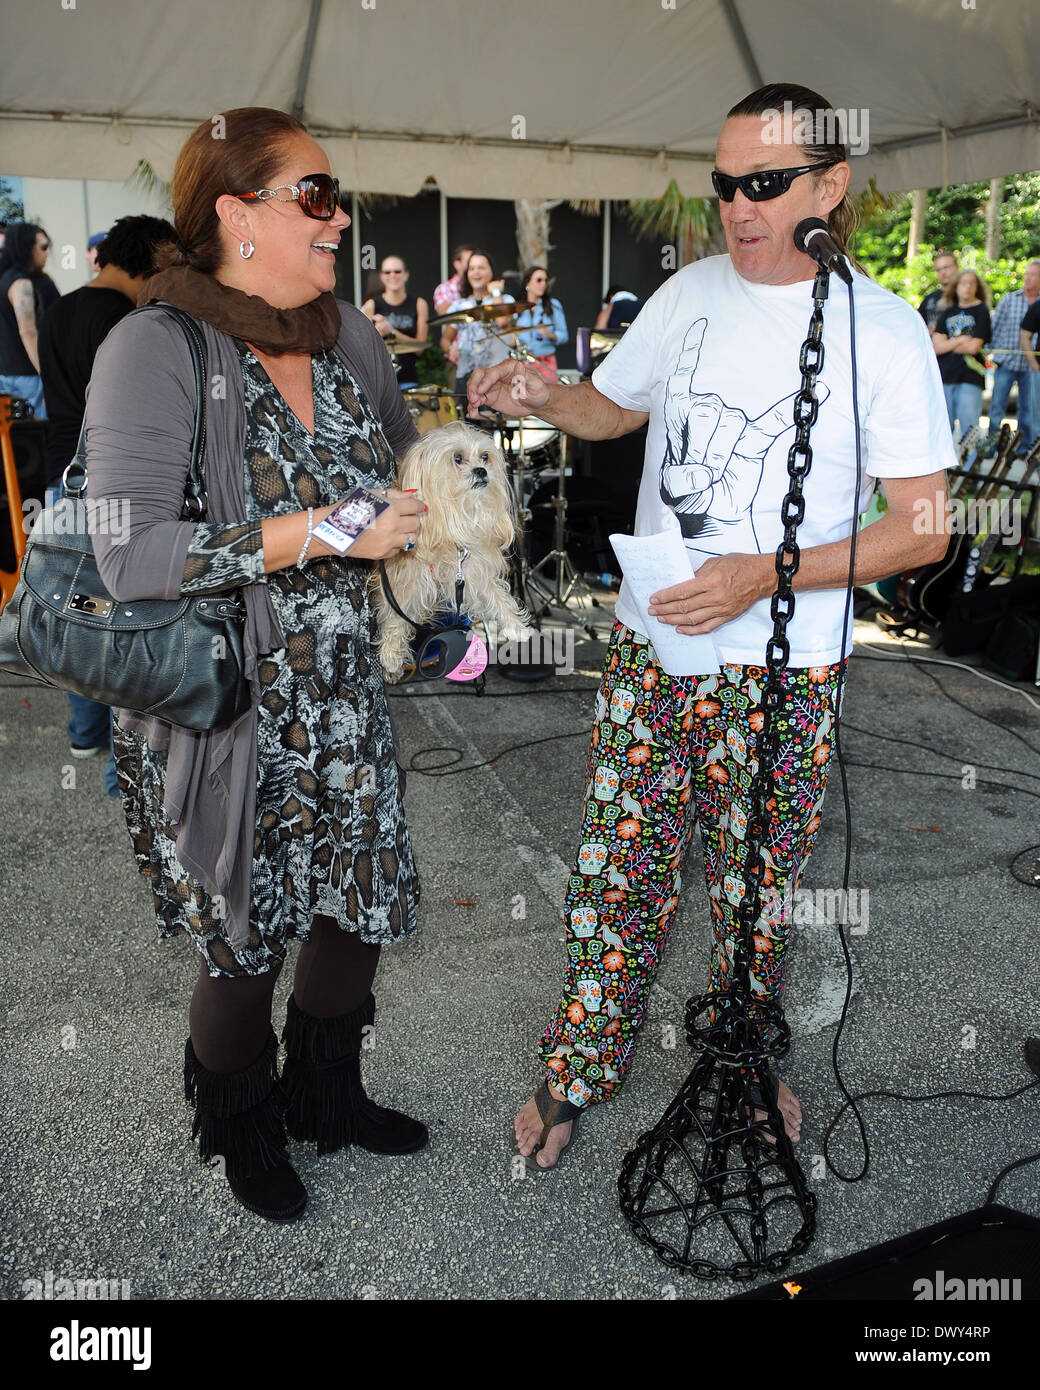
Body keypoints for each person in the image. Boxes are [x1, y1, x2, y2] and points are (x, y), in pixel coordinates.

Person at [470, 81, 954, 1169]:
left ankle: (743, 1060)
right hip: (651, 646)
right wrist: (547, 395)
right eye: (726, 183)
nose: (739, 206)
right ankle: (577, 1063)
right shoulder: (686, 291)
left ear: (829, 188)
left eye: (767, 185)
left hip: (777, 665)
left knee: (753, 889)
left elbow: (921, 528)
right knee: (616, 866)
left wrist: (762, 576)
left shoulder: (878, 329)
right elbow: (615, 409)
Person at [84, 107, 427, 1221]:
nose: (339, 218)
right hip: (229, 705)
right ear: (236, 212)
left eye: (338, 197)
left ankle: (329, 1094)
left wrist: (447, 468)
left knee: (356, 905)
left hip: (345, 693)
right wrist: (324, 529)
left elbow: (398, 467)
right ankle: (241, 1123)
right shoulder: (158, 345)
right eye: (315, 196)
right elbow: (129, 552)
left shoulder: (350, 338)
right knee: (245, 936)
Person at [37, 214, 177, 790]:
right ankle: (126, 766)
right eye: (168, 262)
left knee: (79, 609)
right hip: (115, 482)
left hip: (62, 478)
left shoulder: (60, 308)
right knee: (126, 618)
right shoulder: (128, 319)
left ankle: (84, 731)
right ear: (148, 256)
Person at [439, 249, 514, 406]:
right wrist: (449, 349)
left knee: (496, 426)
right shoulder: (459, 305)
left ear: (492, 271)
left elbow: (502, 322)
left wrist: (496, 292)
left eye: (481, 267)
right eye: (472, 268)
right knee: (467, 427)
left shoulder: (505, 299)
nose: (476, 272)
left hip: (496, 377)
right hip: (466, 376)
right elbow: (445, 339)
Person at [0, 222, 60, 417]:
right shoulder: (20, 283)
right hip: (28, 377)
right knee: (38, 436)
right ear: (27, 248)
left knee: (18, 440)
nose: (48, 252)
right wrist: (47, 373)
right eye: (43, 247)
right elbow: (27, 331)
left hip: (8, 374)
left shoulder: (5, 278)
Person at [932, 268, 992, 442]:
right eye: (963, 283)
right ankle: (946, 468)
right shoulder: (948, 312)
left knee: (969, 428)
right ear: (956, 286)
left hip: (970, 377)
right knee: (943, 426)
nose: (967, 287)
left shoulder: (981, 310)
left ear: (977, 287)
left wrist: (949, 343)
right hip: (945, 376)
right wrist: (960, 340)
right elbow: (936, 347)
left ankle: (969, 464)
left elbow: (974, 347)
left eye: (971, 283)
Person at [986, 260, 1040, 450]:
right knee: (997, 406)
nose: (1028, 278)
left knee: (1027, 410)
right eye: (1027, 274)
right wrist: (989, 352)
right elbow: (995, 327)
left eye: (1033, 275)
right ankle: (991, 446)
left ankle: (1023, 448)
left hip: (1030, 366)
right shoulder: (1010, 299)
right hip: (1007, 362)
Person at [362, 254, 429, 388]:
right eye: (387, 272)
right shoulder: (371, 305)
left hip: (408, 377)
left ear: (406, 274)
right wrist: (376, 333)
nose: (392, 275)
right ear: (382, 276)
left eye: (397, 271)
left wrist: (392, 331)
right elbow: (364, 346)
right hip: (380, 378)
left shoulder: (419, 304)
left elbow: (420, 348)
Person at [513, 266, 568, 382]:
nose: (543, 284)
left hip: (546, 362)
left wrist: (550, 334)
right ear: (527, 283)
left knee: (548, 397)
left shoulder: (553, 305)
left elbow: (564, 335)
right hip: (523, 363)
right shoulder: (516, 307)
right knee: (523, 397)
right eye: (539, 280)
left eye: (545, 280)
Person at [919, 251, 959, 332]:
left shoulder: (968, 296)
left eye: (946, 267)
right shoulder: (929, 300)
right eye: (938, 270)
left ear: (957, 267)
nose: (943, 273)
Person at [433, 243, 473, 317]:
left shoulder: (484, 285)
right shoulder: (445, 288)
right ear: (457, 264)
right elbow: (443, 314)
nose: (473, 266)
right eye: (469, 262)